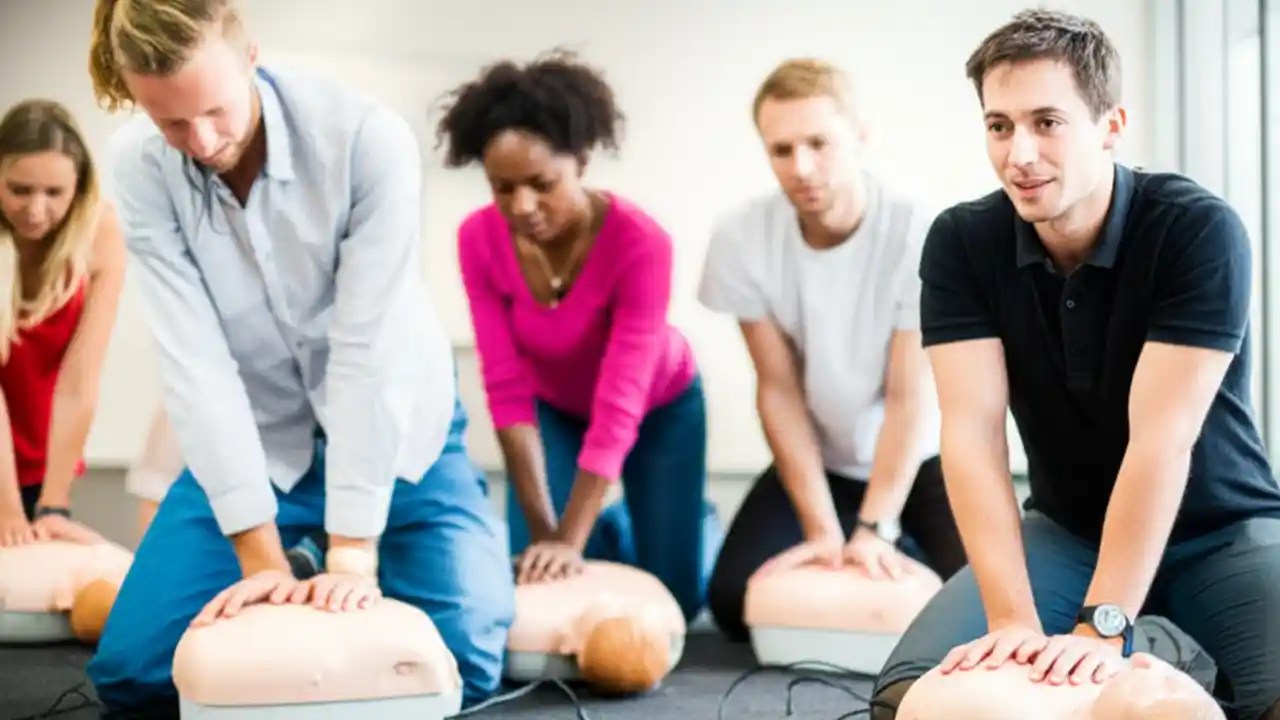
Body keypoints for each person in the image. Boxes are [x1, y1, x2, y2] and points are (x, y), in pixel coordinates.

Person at [84, 0, 514, 715]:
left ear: (248, 52)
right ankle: (295, 545)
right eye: (170, 122)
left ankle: (381, 541)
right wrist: (260, 560)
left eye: (215, 110)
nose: (201, 140)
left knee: (458, 664)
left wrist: (353, 554)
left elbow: (365, 351)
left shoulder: (365, 138)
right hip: (262, 440)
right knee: (135, 674)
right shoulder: (138, 167)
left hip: (398, 432)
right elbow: (195, 363)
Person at [872, 9, 1280, 720]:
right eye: (999, 125)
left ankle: (1167, 666)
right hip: (1066, 529)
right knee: (913, 699)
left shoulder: (1197, 230)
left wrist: (1104, 626)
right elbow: (970, 436)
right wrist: (1011, 625)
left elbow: (1162, 441)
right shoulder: (962, 242)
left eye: (1047, 122)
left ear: (1111, 126)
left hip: (1222, 526)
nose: (1018, 153)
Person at [435, 49, 721, 622]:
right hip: (556, 407)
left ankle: (678, 520)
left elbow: (620, 402)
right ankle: (602, 529)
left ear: (582, 162)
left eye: (542, 183)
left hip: (658, 407)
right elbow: (505, 387)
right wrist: (549, 538)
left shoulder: (642, 244)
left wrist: (572, 539)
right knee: (535, 578)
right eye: (502, 188)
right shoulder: (477, 239)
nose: (523, 206)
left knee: (676, 601)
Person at [696, 58, 967, 641]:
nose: (802, 168)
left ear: (860, 137)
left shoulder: (920, 231)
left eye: (819, 143)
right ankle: (842, 527)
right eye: (781, 149)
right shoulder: (740, 238)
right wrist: (821, 529)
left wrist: (875, 525)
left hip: (922, 458)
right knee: (730, 601)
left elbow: (906, 397)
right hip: (822, 458)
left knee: (982, 606)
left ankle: (898, 538)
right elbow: (777, 388)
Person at [0, 98, 125, 549]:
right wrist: (7, 509)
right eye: (19, 189)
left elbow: (79, 380)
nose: (35, 210)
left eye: (54, 193)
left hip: (42, 460)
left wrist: (52, 505)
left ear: (80, 187)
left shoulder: (101, 234)